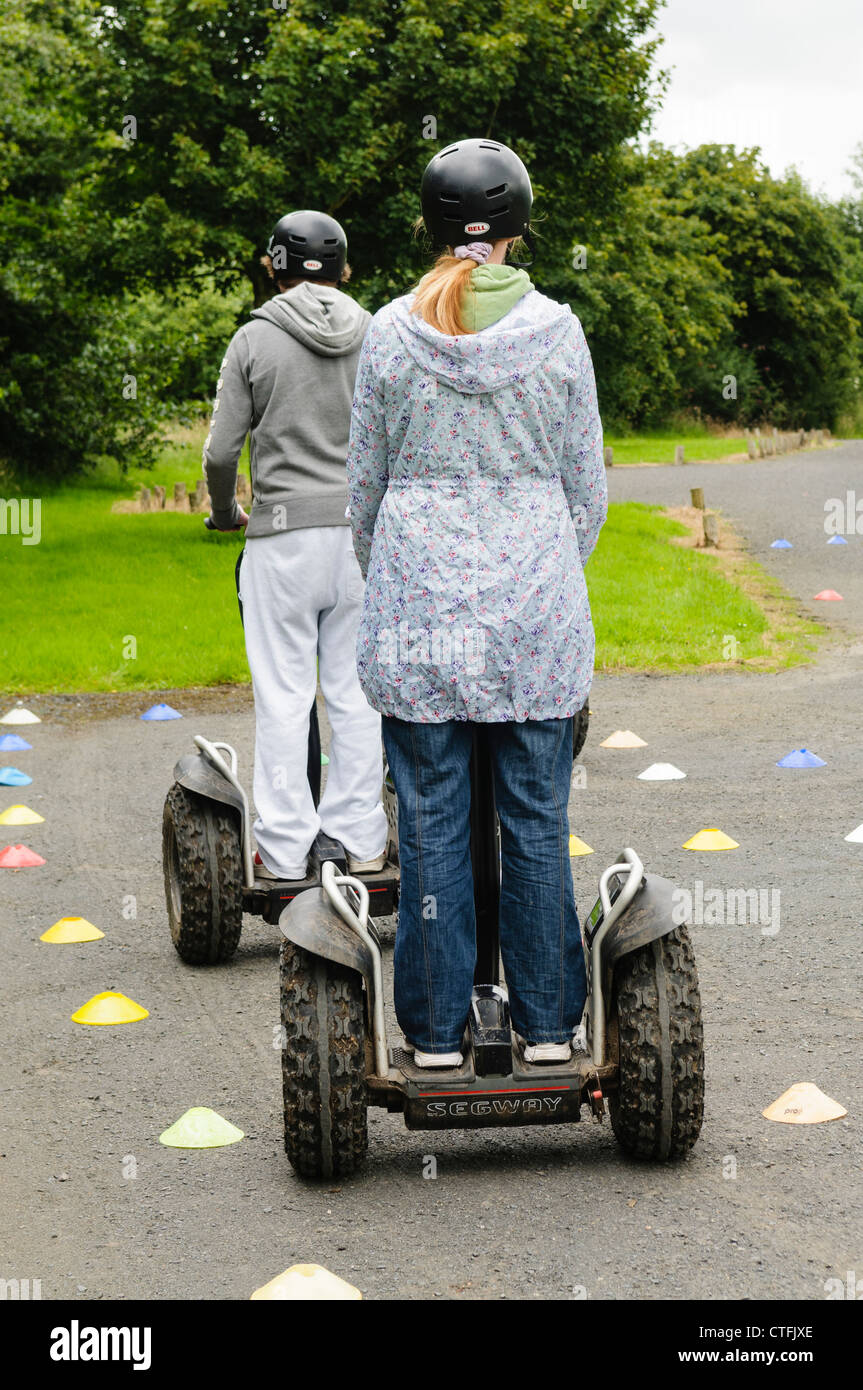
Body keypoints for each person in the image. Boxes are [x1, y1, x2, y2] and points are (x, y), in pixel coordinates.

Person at [346, 139, 607, 1066]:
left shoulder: (387, 334)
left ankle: (432, 1035)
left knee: (428, 823)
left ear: (429, 227)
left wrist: (407, 578)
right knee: (537, 819)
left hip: (419, 614)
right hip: (533, 618)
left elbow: (364, 498)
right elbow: (588, 494)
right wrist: (535, 572)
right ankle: (547, 1029)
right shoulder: (559, 332)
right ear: (518, 229)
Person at [203, 209, 387, 880]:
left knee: (284, 695)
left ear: (272, 266)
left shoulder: (254, 338)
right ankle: (361, 842)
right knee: (356, 694)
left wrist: (226, 513)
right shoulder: (379, 333)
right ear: (345, 270)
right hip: (362, 542)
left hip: (281, 539)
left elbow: (222, 449)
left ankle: (284, 850)